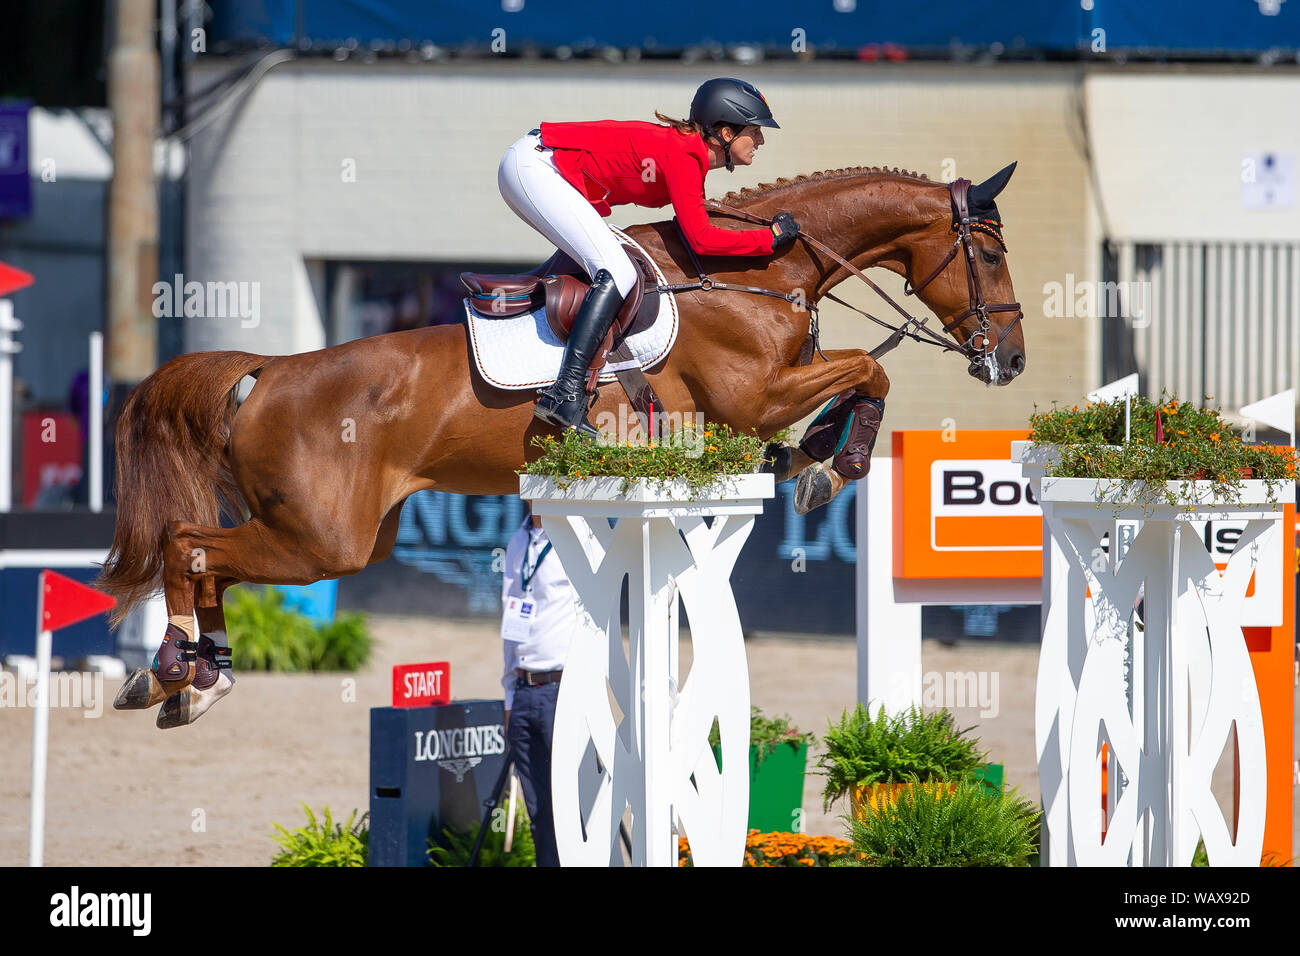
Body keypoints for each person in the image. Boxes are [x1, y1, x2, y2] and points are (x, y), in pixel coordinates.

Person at [497, 77, 802, 436]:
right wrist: (769, 239)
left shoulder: (687, 152)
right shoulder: (684, 154)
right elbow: (702, 239)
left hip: (540, 167)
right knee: (617, 272)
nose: (761, 140)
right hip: (535, 169)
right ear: (724, 132)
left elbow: (696, 225)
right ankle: (564, 393)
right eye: (756, 131)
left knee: (607, 266)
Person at [500, 501, 602, 866]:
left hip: (563, 687)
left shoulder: (579, 535)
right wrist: (509, 695)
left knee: (573, 800)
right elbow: (510, 617)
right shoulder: (517, 540)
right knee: (539, 808)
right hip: (524, 687)